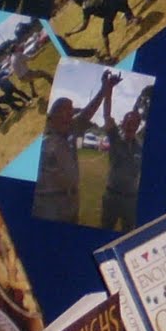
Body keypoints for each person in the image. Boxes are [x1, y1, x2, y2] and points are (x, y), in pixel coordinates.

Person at [35, 69, 121, 222]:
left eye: (70, 114)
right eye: (63, 113)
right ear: (51, 117)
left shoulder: (70, 129)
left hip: (72, 202)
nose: (68, 117)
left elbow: (88, 112)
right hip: (49, 206)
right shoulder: (42, 140)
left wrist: (105, 87)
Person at [100, 83, 146, 231]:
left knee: (130, 234)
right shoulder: (115, 139)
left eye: (134, 123)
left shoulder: (141, 148)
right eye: (128, 122)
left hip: (131, 200)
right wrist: (108, 89)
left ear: (138, 126)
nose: (130, 126)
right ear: (123, 124)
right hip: (112, 197)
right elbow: (107, 115)